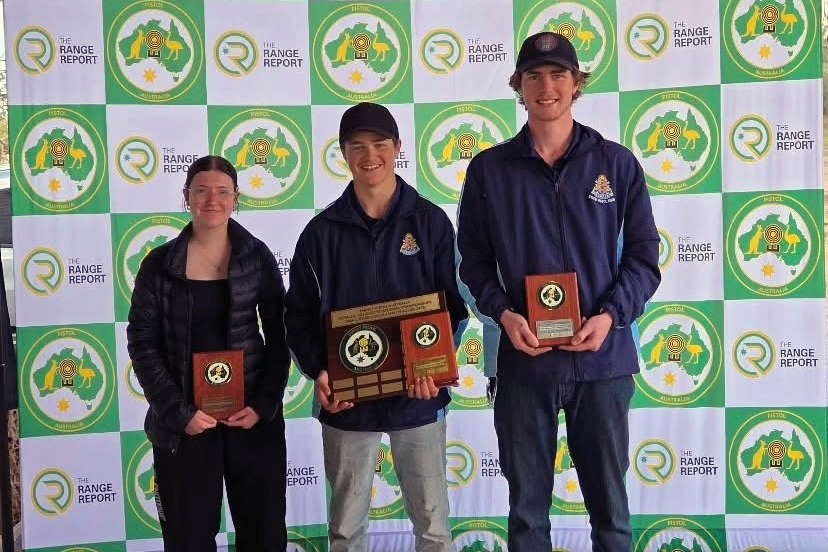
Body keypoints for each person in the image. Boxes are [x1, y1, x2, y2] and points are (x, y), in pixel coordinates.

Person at [456, 32, 661, 552]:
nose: (546, 86)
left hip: (604, 362)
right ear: (518, 87)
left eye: (558, 75)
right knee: (527, 516)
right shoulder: (489, 170)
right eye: (533, 76)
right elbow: (474, 265)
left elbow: (643, 259)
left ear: (576, 85)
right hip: (524, 363)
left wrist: (611, 317)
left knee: (611, 512)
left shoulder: (616, 164)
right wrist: (504, 316)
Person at [284, 102, 468, 552]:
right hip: (347, 401)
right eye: (358, 147)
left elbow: (455, 306)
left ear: (398, 148)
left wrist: (437, 365)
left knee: (433, 525)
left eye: (380, 145)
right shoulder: (320, 232)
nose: (370, 156)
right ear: (343, 153)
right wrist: (318, 371)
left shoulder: (430, 222)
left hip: (418, 396)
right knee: (346, 528)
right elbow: (298, 314)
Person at [127, 155, 289, 552]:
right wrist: (178, 413)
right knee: (189, 539)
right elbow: (142, 341)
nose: (211, 200)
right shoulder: (159, 264)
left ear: (236, 199)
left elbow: (281, 333)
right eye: (201, 191)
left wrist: (264, 404)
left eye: (222, 192)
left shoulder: (257, 256)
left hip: (250, 419)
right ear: (186, 197)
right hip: (184, 425)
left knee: (264, 535)